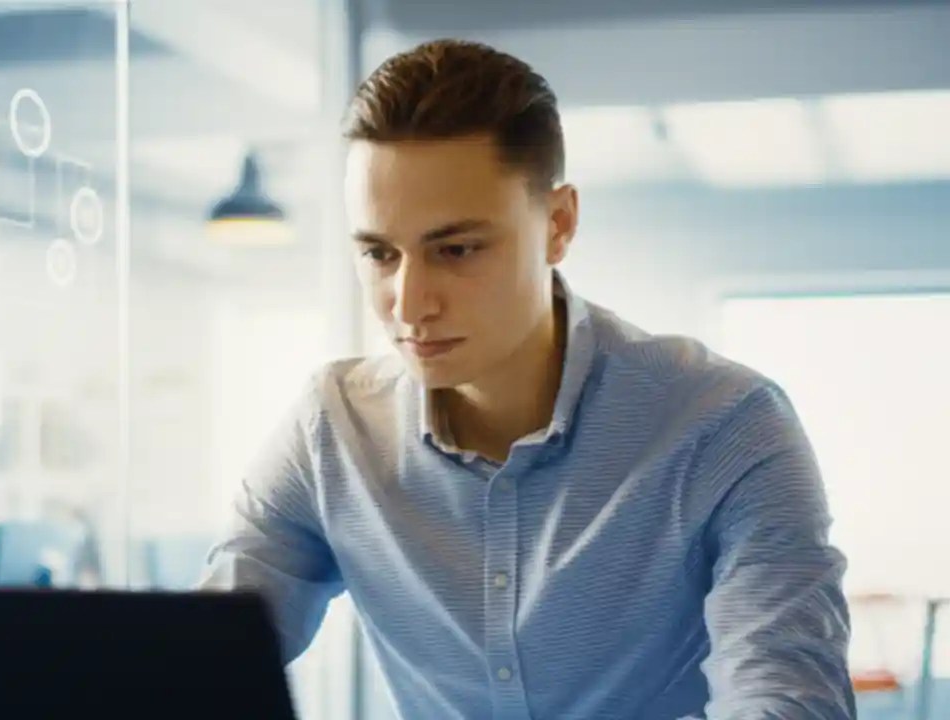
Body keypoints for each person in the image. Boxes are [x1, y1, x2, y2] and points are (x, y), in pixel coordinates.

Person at [201, 38, 854, 719]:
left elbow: (787, 703)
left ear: (559, 224)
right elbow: (194, 662)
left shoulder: (727, 424)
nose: (409, 302)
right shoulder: (332, 428)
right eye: (379, 252)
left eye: (456, 250)